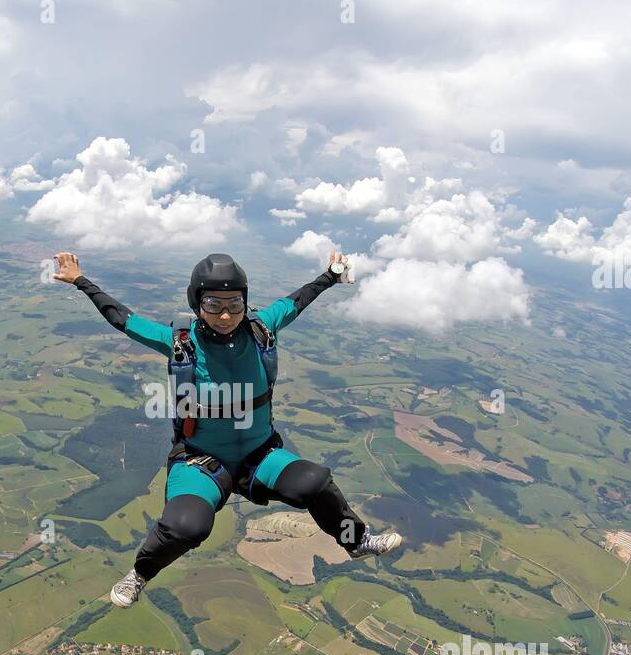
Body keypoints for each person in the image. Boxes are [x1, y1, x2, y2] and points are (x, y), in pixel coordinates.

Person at [53, 250, 401, 607]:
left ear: (245, 302)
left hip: (260, 456)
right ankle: (141, 573)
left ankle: (356, 541)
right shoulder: (180, 343)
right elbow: (122, 319)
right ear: (196, 304)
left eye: (234, 304)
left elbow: (299, 299)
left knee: (315, 482)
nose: (224, 315)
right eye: (212, 304)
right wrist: (80, 281)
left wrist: (331, 274)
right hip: (200, 461)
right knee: (187, 526)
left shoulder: (262, 329)